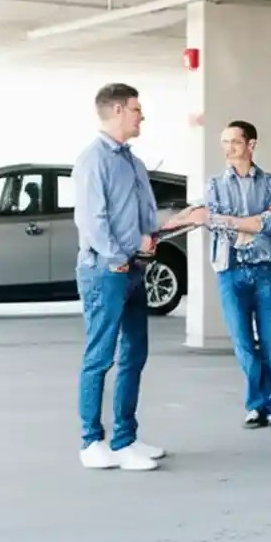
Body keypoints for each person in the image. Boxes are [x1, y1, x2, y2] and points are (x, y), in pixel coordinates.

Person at [74, 83, 166, 472]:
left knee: (134, 354)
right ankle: (92, 441)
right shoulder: (93, 160)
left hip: (133, 268)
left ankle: (125, 438)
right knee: (99, 357)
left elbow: (143, 215)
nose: (140, 116)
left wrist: (152, 240)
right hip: (105, 270)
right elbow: (92, 220)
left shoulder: (132, 161)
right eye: (135, 109)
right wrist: (116, 258)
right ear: (115, 111)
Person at [178, 120, 271, 429]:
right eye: (224, 142)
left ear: (251, 144)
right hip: (230, 270)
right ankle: (267, 401)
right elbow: (213, 224)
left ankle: (259, 405)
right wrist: (251, 222)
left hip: (268, 270)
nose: (228, 148)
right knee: (243, 343)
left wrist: (233, 221)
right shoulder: (214, 185)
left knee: (270, 343)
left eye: (235, 142)